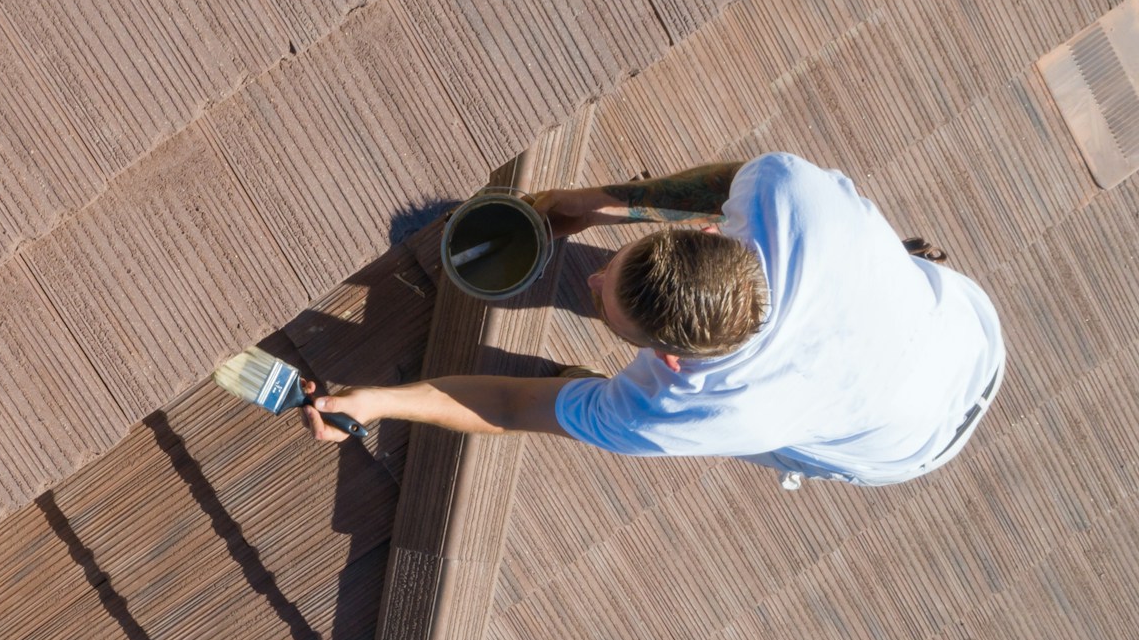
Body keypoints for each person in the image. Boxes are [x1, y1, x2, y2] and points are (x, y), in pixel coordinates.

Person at [302, 154, 1005, 488]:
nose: (595, 275)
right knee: (605, 409)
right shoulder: (792, 195)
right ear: (708, 235)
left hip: (903, 438)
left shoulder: (694, 412)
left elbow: (515, 404)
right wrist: (603, 201)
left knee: (600, 416)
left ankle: (589, 394)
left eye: (602, 303)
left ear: (672, 363)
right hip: (959, 319)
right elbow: (726, 183)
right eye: (618, 268)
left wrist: (378, 401)